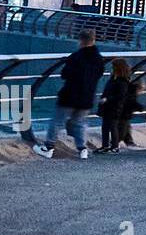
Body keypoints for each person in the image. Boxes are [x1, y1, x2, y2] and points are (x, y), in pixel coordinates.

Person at [33, 30, 104, 159]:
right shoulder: (99, 59)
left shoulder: (76, 57)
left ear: (81, 41)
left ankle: (48, 147)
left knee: (57, 121)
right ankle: (82, 149)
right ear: (93, 40)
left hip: (70, 95)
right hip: (87, 97)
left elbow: (65, 74)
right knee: (79, 122)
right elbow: (98, 74)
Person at [96, 57, 134, 153]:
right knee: (105, 126)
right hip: (108, 106)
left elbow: (120, 96)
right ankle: (105, 145)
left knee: (112, 126)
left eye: (113, 68)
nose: (111, 69)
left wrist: (107, 99)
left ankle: (114, 145)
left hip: (114, 107)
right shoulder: (114, 79)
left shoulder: (121, 82)